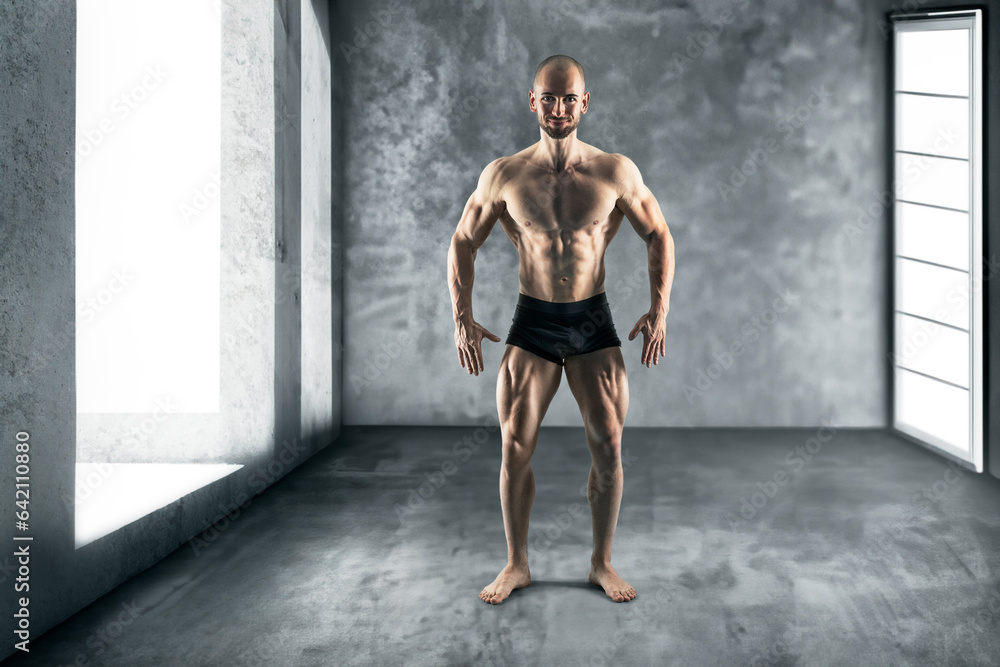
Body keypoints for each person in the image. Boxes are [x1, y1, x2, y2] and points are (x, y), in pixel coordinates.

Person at [447, 54, 675, 604]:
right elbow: (462, 240)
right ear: (533, 101)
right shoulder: (503, 174)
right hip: (535, 320)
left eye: (568, 98)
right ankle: (516, 564)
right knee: (514, 445)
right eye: (548, 97)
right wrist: (462, 318)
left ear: (584, 103)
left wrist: (658, 310)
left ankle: (601, 563)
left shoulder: (615, 171)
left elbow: (659, 234)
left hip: (591, 318)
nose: (558, 107)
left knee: (609, 446)